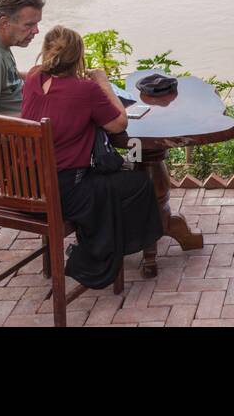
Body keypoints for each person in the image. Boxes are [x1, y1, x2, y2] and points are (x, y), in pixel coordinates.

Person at [20, 26, 162, 289]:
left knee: (109, 182)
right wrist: (103, 81)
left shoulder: (32, 77)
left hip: (25, 188)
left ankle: (99, 243)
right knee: (139, 183)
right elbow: (119, 124)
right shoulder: (85, 90)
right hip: (63, 193)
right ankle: (111, 252)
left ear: (46, 51)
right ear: (78, 57)